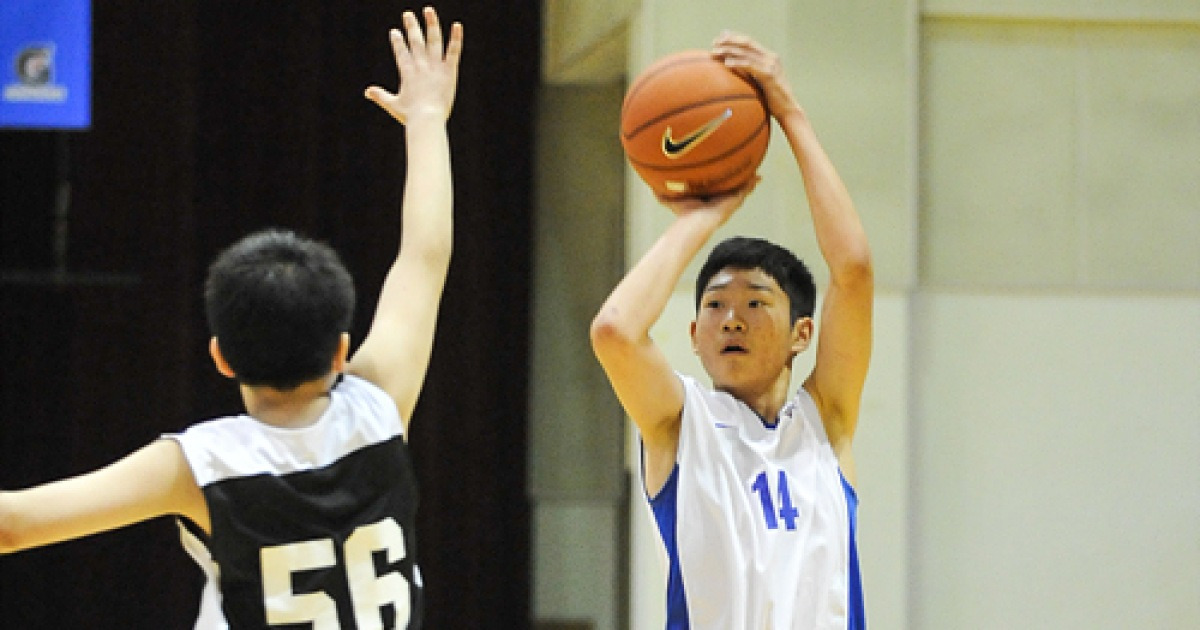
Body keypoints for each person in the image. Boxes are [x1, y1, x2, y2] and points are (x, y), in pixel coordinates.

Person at [0, 7, 462, 629]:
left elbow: (13, 524)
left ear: (219, 355)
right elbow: (424, 256)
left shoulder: (201, 466)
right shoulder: (378, 408)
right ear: (339, 351)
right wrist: (428, 120)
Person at [591, 32, 872, 630]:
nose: (733, 319)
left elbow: (853, 270)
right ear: (693, 334)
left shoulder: (827, 425)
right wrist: (702, 216)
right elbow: (615, 329)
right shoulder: (678, 422)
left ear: (802, 334)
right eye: (716, 306)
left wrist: (789, 112)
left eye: (755, 303)